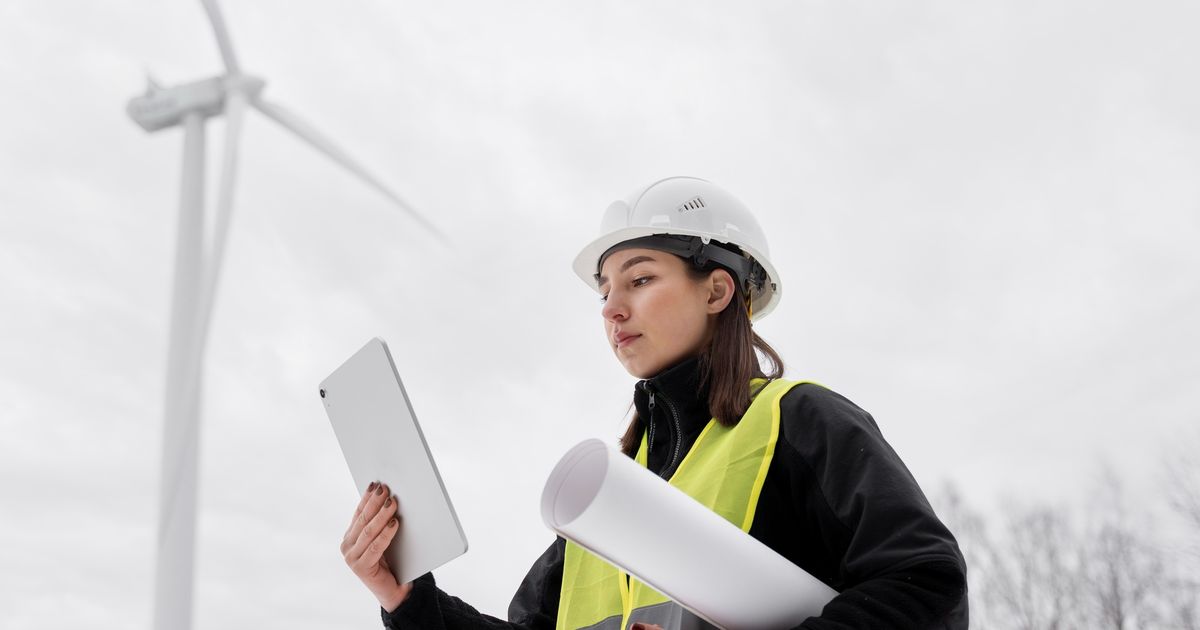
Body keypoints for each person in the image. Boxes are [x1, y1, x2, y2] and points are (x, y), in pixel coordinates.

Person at [340, 177, 969, 629]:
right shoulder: (601, 497)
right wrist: (407, 598)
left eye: (640, 280)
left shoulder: (801, 423)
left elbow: (926, 587)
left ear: (718, 289)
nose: (613, 308)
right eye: (605, 292)